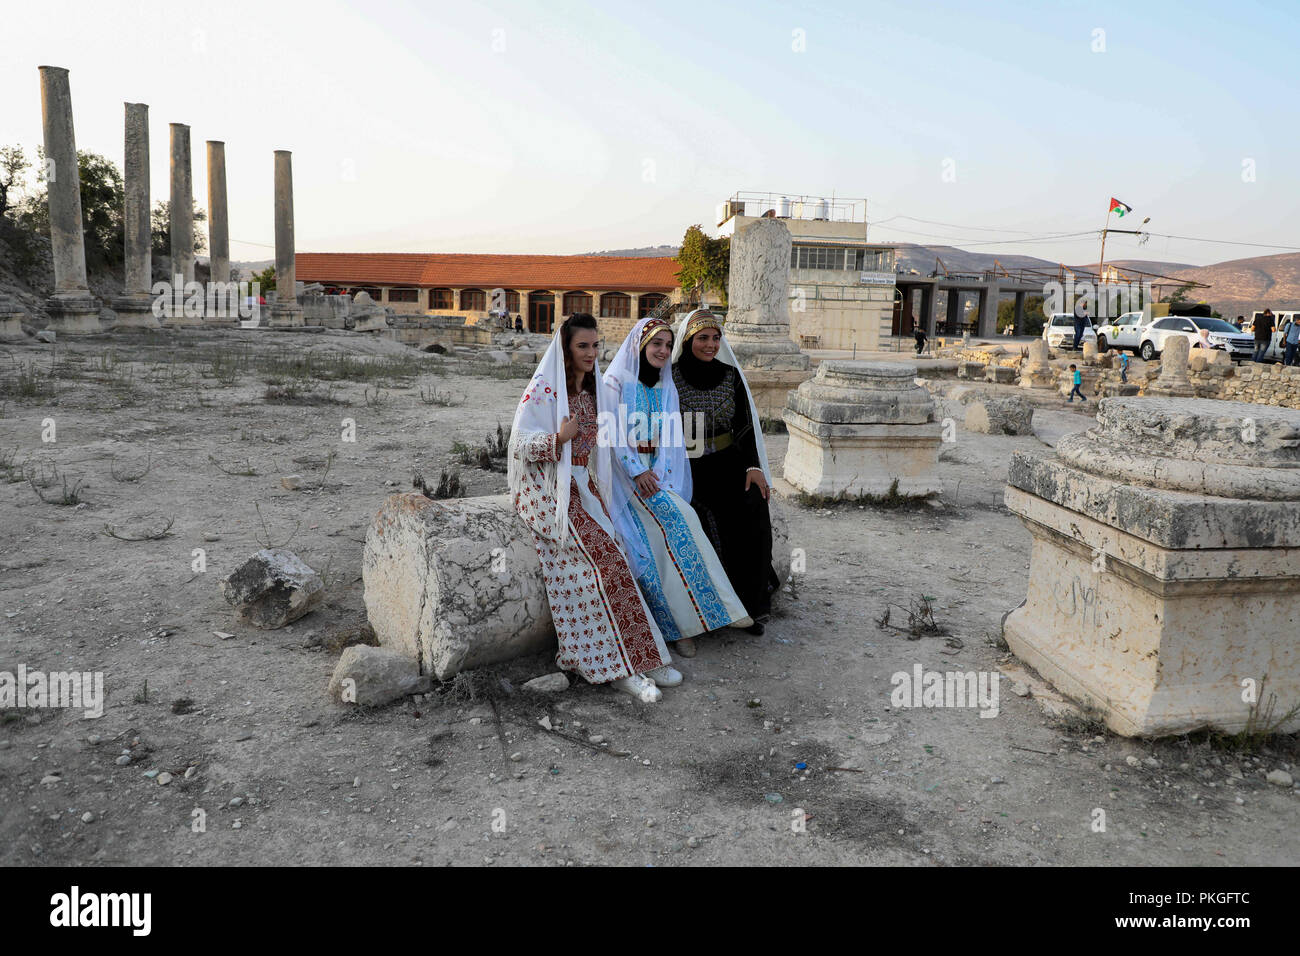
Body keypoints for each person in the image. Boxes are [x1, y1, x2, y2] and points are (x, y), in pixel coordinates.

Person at [508, 313, 679, 702]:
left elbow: (608, 444)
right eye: (582, 346)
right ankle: (613, 665)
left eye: (595, 345)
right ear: (566, 349)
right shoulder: (545, 390)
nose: (590, 352)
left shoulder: (596, 391)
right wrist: (557, 438)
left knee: (620, 558)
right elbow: (517, 444)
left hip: (583, 487)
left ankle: (644, 655)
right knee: (604, 565)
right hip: (548, 492)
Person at [601, 316, 752, 659]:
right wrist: (638, 472)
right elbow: (610, 437)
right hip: (623, 482)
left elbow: (671, 440)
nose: (663, 351)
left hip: (655, 479)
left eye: (668, 345)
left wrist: (660, 476)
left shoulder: (664, 385)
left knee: (679, 524)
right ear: (640, 345)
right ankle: (687, 625)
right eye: (656, 343)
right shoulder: (615, 382)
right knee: (663, 534)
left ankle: (712, 614)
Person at [671, 309, 779, 636]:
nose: (711, 344)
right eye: (703, 338)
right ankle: (710, 611)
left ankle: (748, 604)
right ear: (688, 339)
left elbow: (744, 426)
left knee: (753, 505)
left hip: (730, 462)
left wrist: (753, 466)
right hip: (689, 465)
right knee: (703, 518)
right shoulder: (672, 377)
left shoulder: (730, 376)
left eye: (716, 338)